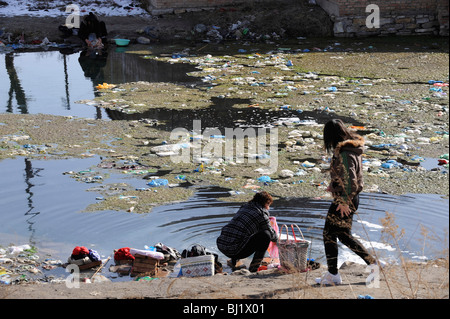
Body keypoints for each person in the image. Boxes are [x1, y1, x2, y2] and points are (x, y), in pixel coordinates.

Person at [316, 119, 376, 285]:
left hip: (346, 199)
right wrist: (333, 185)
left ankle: (333, 275)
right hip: (349, 198)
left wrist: (343, 201)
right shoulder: (350, 150)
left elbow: (351, 180)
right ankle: (372, 264)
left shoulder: (345, 153)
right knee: (343, 235)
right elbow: (346, 176)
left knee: (328, 234)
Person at [217, 191, 278, 272]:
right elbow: (270, 233)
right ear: (266, 203)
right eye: (268, 205)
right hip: (235, 251)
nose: (268, 208)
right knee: (266, 235)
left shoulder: (245, 207)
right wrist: (278, 240)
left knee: (240, 233)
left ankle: (233, 261)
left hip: (222, 244)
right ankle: (254, 268)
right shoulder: (261, 213)